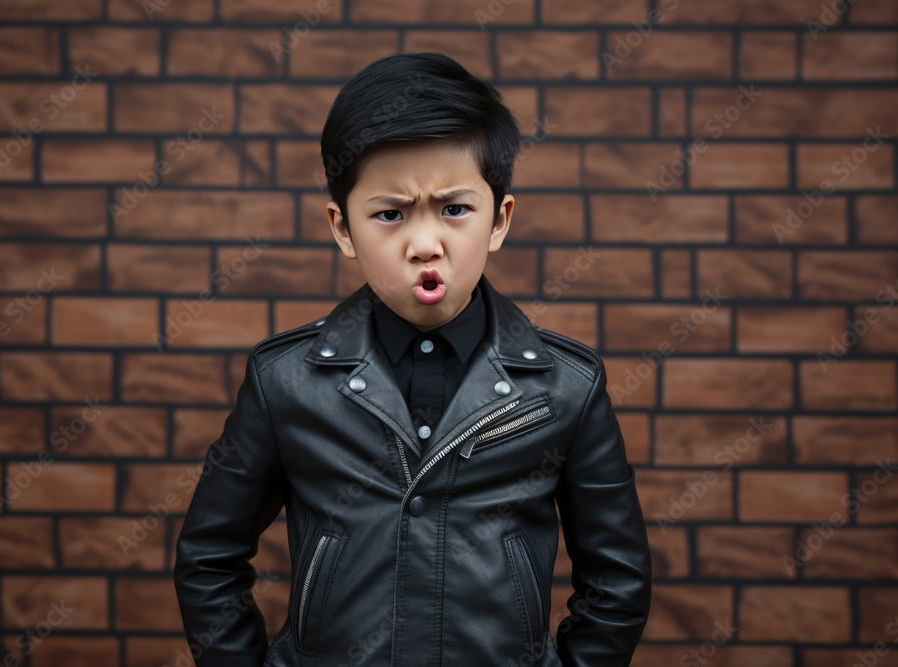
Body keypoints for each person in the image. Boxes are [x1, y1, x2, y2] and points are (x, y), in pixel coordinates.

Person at [174, 52, 652, 667]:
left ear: (499, 220)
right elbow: (209, 558)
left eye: (455, 209)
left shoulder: (565, 387)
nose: (425, 244)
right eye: (389, 214)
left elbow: (617, 581)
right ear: (343, 228)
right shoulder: (286, 381)